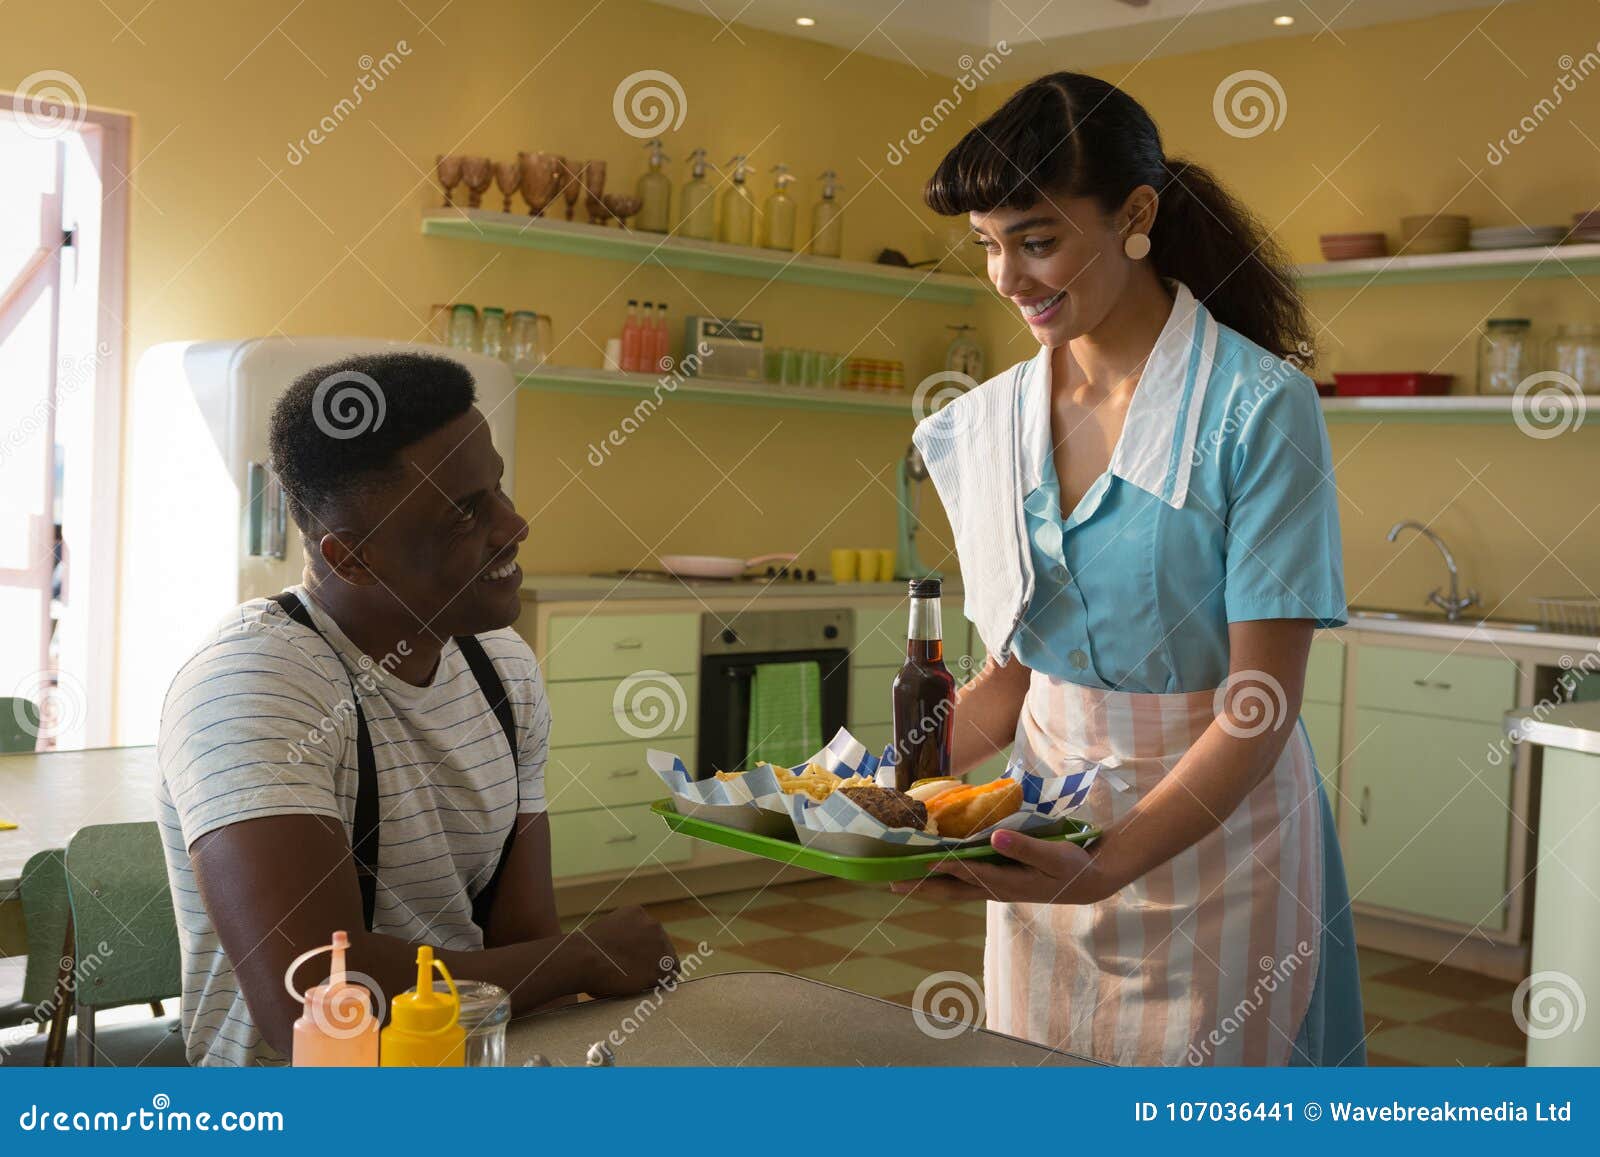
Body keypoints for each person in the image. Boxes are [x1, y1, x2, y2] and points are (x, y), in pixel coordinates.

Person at [896, 72, 1364, 1066]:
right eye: (987, 244)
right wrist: (879, 789)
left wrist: (1107, 864)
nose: (1007, 277)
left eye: (1036, 239)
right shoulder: (996, 422)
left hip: (1219, 847)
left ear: (1136, 214)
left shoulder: (1254, 407)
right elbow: (1012, 680)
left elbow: (1259, 704)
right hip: (1044, 846)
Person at [156, 352, 674, 1066]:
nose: (514, 524)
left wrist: (566, 970)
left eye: (498, 488)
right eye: (465, 511)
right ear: (351, 558)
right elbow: (311, 995)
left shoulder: (502, 668)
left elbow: (523, 938)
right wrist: (585, 959)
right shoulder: (255, 682)